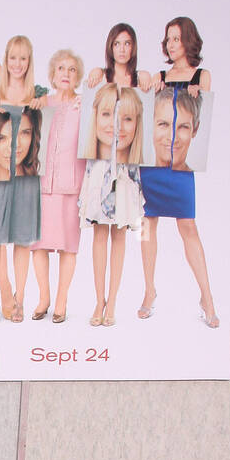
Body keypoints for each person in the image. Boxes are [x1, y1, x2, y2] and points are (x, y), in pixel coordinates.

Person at [138, 17, 217, 327]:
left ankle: (207, 296)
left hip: (181, 164)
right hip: (154, 164)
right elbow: (142, 94)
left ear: (188, 40)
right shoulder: (160, 75)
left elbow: (204, 107)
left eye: (176, 38)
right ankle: (149, 290)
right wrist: (150, 83)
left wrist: (196, 91)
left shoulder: (202, 75)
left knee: (188, 226)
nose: (171, 44)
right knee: (147, 223)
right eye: (168, 39)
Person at [0, 35, 48, 320]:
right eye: (13, 57)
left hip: (26, 175)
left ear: (29, 61)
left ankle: (20, 299)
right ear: (6, 58)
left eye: (23, 58)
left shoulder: (38, 94)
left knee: (22, 237)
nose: (18, 63)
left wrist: (44, 102)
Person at [28, 49, 87, 324]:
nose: (66, 73)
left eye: (72, 69)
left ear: (78, 76)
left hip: (71, 185)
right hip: (42, 185)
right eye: (62, 68)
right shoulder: (42, 103)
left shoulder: (83, 106)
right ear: (53, 74)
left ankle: (62, 301)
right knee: (38, 244)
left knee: (68, 246)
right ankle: (44, 298)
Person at [78, 84, 144, 326]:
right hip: (98, 169)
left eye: (126, 118)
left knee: (119, 237)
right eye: (107, 115)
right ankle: (99, 300)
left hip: (125, 175)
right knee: (99, 236)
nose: (115, 124)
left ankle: (112, 300)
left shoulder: (132, 161)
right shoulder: (93, 157)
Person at [0, 106, 42, 321]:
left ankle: (19, 299)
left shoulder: (31, 170)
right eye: (2, 138)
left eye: (25, 133)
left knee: (23, 239)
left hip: (26, 182)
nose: (14, 145)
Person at [86, 22, 154, 92]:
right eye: (117, 44)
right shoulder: (99, 75)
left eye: (127, 44)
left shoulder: (142, 77)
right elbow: (89, 100)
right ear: (111, 47)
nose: (122, 49)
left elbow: (149, 101)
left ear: (133, 47)